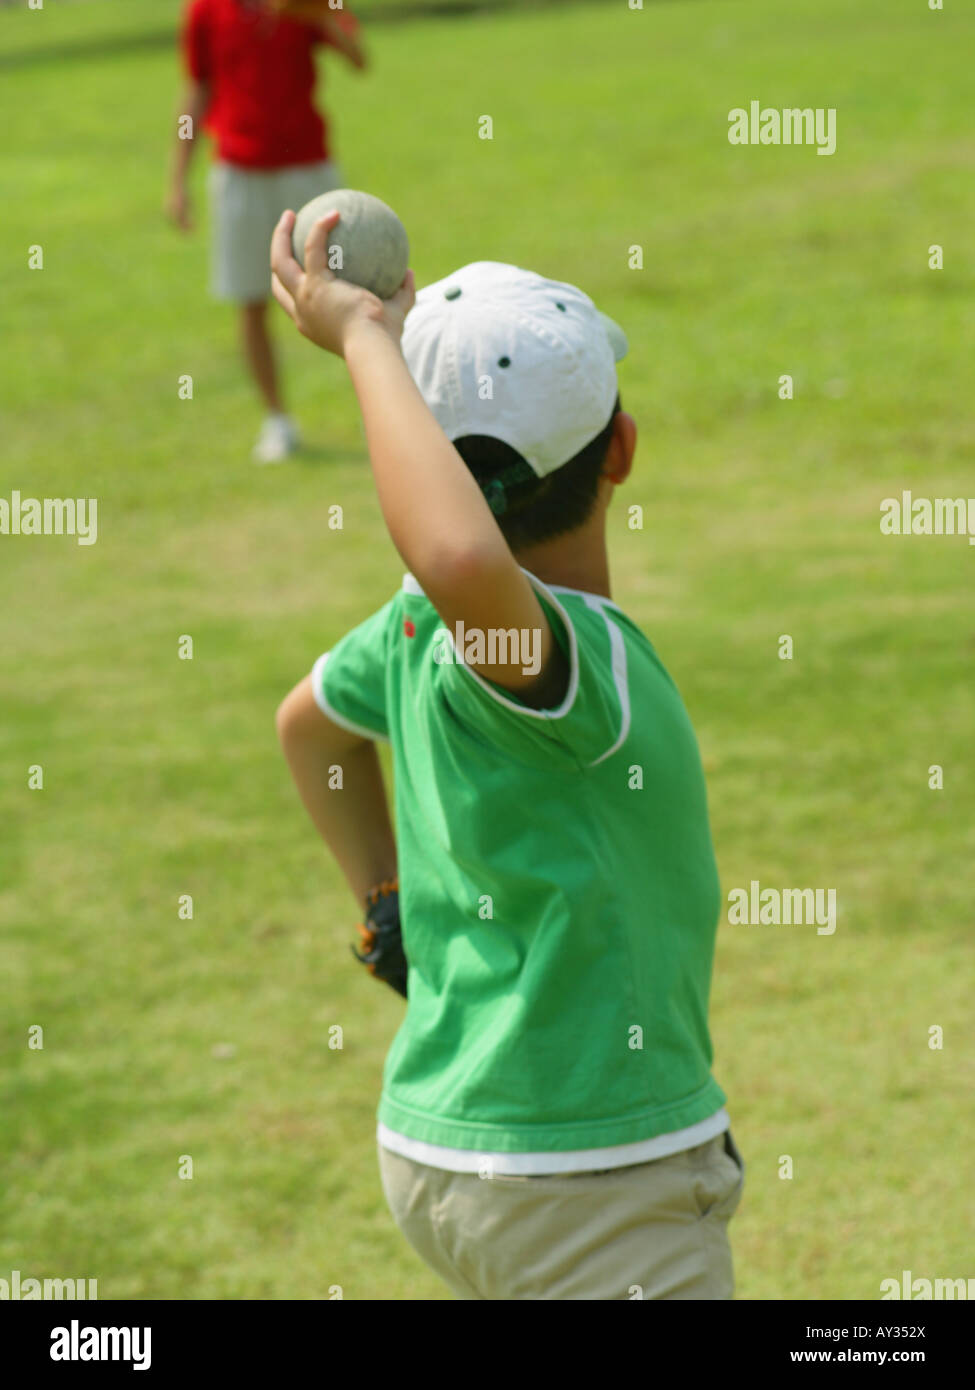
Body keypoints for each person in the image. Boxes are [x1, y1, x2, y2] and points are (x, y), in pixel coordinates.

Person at [273, 210, 745, 1300]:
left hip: (445, 1153)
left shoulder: (412, 628)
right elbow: (453, 553)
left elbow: (312, 728)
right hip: (585, 1176)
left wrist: (379, 902)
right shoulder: (547, 661)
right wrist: (359, 340)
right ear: (622, 448)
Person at [166, 0, 366, 463]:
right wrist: (178, 180)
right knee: (252, 299)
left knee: (352, 288)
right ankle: (278, 420)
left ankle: (379, 403)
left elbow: (359, 60)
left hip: (309, 166)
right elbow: (196, 88)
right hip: (239, 170)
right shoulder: (204, 9)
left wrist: (317, 16)